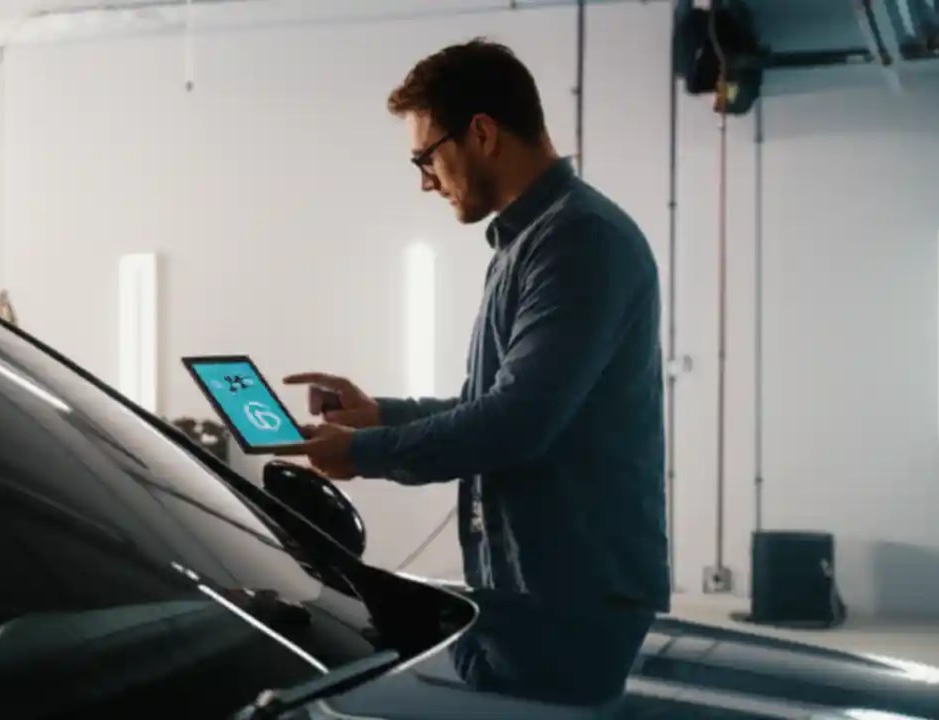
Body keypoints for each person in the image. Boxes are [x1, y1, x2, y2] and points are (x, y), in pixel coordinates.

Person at [278, 39, 669, 709]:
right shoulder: (530, 242)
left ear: (482, 133)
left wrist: (363, 452)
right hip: (530, 590)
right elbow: (492, 402)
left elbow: (516, 422)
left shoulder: (579, 240)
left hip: (568, 599)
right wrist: (382, 414)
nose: (425, 180)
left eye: (425, 157)